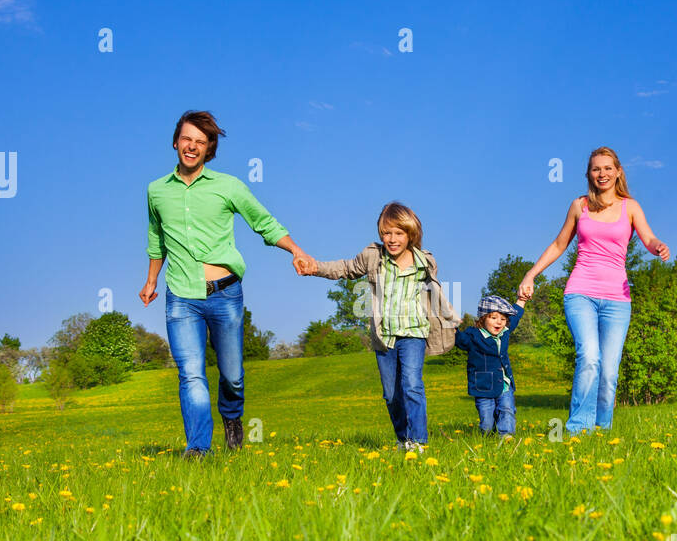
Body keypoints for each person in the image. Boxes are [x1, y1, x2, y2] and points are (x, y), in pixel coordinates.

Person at [139, 110, 313, 458]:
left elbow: (263, 222)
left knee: (231, 376)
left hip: (225, 294)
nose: (192, 146)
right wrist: (150, 280)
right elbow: (156, 239)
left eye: (200, 142)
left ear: (209, 149)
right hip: (180, 297)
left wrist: (294, 249)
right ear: (176, 142)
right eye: (187, 139)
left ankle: (232, 419)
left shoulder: (228, 186)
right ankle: (198, 447)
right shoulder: (156, 191)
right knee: (191, 375)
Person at [519, 147, 670, 435]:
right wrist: (531, 273)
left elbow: (648, 238)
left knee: (609, 371)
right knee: (588, 357)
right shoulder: (580, 206)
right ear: (589, 174)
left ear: (618, 172)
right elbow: (559, 244)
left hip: (617, 299)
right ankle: (578, 430)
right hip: (580, 292)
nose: (602, 174)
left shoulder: (631, 207)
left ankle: (602, 431)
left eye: (607, 168)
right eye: (596, 169)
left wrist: (658, 247)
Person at [299, 202, 460, 451]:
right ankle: (403, 438)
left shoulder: (425, 262)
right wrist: (315, 267)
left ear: (410, 234)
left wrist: (448, 319)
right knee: (391, 394)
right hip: (384, 335)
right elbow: (345, 268)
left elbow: (434, 295)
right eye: (386, 233)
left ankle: (419, 442)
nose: (392, 239)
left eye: (398, 233)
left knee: (412, 384)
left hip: (414, 332)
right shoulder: (374, 257)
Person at [454, 294, 527, 439]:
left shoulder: (505, 332)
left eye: (503, 319)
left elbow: (516, 316)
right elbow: (460, 340)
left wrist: (522, 300)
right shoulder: (473, 336)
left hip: (504, 383)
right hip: (483, 386)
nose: (499, 322)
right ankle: (488, 437)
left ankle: (506, 436)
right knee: (487, 422)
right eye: (493, 318)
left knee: (507, 409)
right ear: (483, 318)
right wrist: (452, 327)